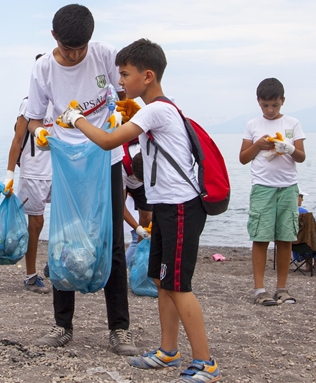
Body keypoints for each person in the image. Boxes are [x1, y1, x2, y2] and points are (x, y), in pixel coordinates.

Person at [59, 38, 220, 382]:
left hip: (181, 208)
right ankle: (167, 351)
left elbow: (106, 142)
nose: (120, 82)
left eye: (125, 74)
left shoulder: (157, 109)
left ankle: (206, 362)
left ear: (147, 76)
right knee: (163, 282)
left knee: (179, 285)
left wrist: (75, 119)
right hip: (165, 207)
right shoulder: (153, 110)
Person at [25, 4, 137, 356]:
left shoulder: (105, 55)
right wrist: (40, 134)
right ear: (54, 38)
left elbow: (127, 93)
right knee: (63, 241)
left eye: (81, 48)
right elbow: (31, 119)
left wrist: (124, 108)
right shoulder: (43, 68)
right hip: (67, 163)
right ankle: (62, 325)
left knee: (111, 242)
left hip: (106, 158)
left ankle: (119, 329)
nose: (75, 56)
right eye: (68, 48)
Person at [239, 78, 306, 307]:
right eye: (266, 105)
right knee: (260, 237)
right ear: (258, 102)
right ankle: (260, 289)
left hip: (288, 187)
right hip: (262, 187)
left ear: (282, 102)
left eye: (275, 105)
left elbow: (301, 156)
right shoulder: (253, 125)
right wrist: (258, 145)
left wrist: (288, 148)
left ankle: (282, 288)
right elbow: (243, 158)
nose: (270, 110)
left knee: (285, 237)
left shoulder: (292, 123)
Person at [5, 53, 54, 293]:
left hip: (61, 171)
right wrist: (8, 175)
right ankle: (30, 275)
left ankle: (53, 264)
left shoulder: (65, 102)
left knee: (66, 218)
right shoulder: (28, 103)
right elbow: (17, 140)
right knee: (35, 223)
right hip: (34, 171)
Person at [122, 142, 151, 266]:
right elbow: (120, 207)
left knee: (148, 218)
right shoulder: (121, 167)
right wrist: (137, 228)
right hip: (124, 178)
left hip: (142, 182)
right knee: (113, 221)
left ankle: (138, 259)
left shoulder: (153, 157)